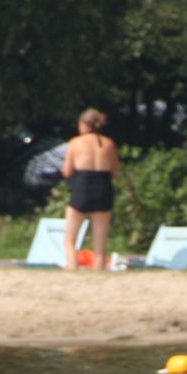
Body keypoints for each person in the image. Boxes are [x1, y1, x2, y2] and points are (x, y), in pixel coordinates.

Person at [61, 108, 118, 271]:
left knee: (70, 238)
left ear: (84, 125)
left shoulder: (75, 142)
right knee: (99, 242)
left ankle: (72, 265)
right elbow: (115, 172)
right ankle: (98, 269)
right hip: (103, 188)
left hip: (82, 187)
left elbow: (67, 171)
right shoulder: (109, 143)